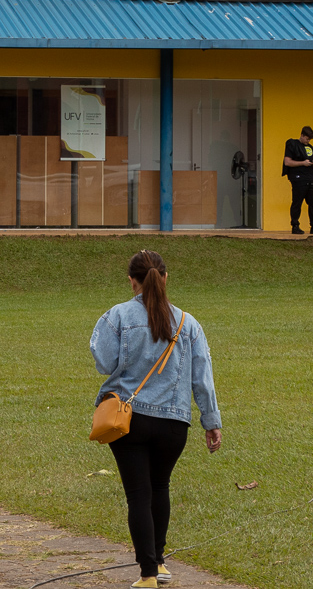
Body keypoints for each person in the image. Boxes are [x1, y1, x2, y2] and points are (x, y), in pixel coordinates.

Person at [90, 250, 222, 589]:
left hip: (127, 420)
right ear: (165, 278)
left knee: (138, 494)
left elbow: (103, 362)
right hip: (174, 424)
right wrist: (211, 421)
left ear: (131, 281)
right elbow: (202, 378)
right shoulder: (188, 323)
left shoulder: (118, 315)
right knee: (159, 487)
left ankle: (148, 573)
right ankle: (159, 562)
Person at [282, 126, 313, 235]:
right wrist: (303, 163)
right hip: (298, 178)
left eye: (309, 139)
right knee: (297, 202)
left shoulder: (310, 147)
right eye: (307, 138)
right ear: (301, 135)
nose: (308, 141)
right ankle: (295, 225)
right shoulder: (293, 144)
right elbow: (287, 162)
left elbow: (312, 159)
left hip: (310, 177)